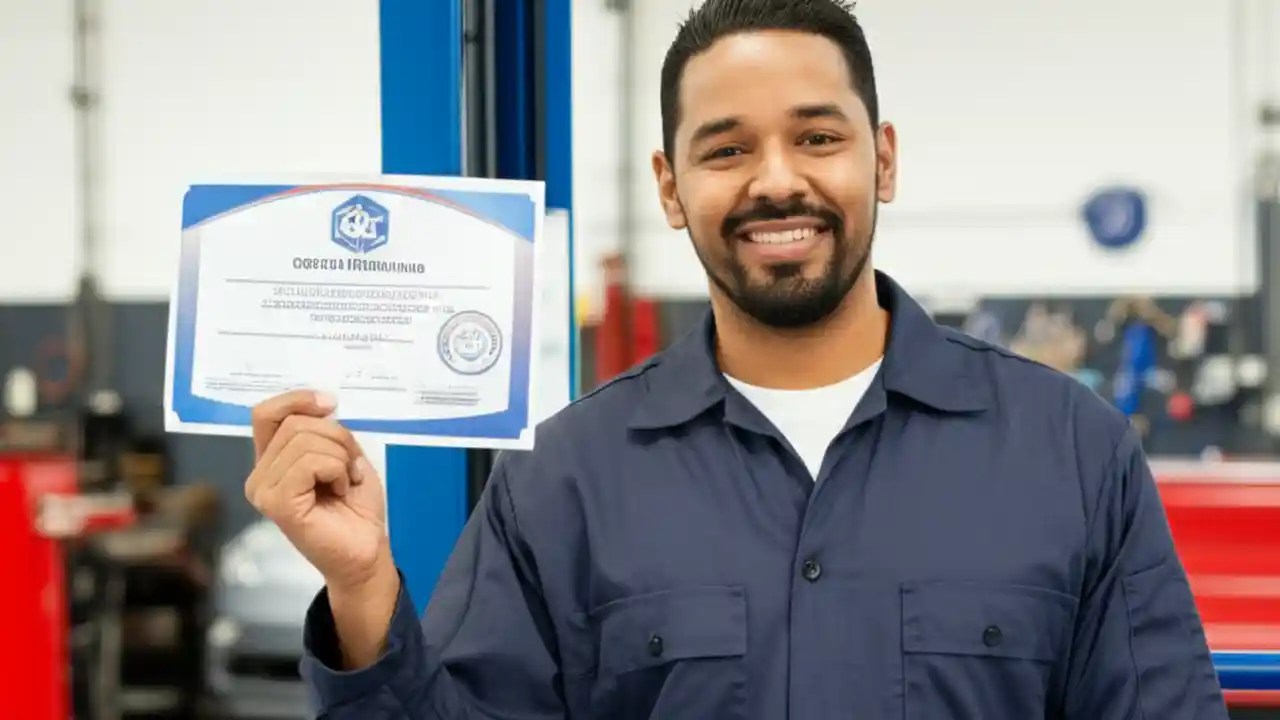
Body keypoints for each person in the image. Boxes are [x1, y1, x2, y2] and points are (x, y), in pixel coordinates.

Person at [243, 0, 1229, 717]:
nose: (776, 181)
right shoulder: (560, 480)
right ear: (671, 188)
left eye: (816, 137)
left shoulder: (1068, 452)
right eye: (724, 151)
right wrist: (364, 586)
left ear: (880, 158)